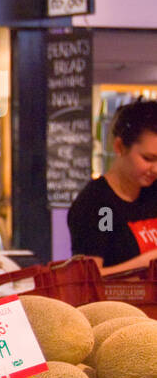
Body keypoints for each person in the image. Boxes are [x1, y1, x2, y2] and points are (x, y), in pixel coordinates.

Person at [68, 100, 157, 276]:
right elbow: (89, 278)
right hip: (116, 303)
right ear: (119, 147)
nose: (155, 169)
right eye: (148, 158)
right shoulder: (99, 204)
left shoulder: (152, 191)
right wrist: (146, 262)